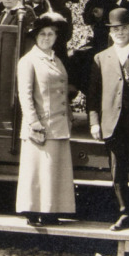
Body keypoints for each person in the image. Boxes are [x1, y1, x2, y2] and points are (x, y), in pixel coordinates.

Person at [91, 6, 129, 232]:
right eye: (115, 29)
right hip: (112, 123)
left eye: (124, 28)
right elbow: (94, 95)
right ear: (110, 32)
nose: (120, 32)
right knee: (117, 172)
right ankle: (124, 213)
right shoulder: (100, 58)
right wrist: (94, 122)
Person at [15, 13, 75, 226]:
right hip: (40, 124)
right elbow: (25, 94)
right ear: (35, 37)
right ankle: (33, 212)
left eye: (51, 34)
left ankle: (50, 212)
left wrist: (68, 116)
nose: (47, 38)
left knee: (53, 171)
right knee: (37, 171)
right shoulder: (28, 61)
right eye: (43, 34)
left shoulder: (56, 59)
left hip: (58, 124)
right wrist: (34, 122)